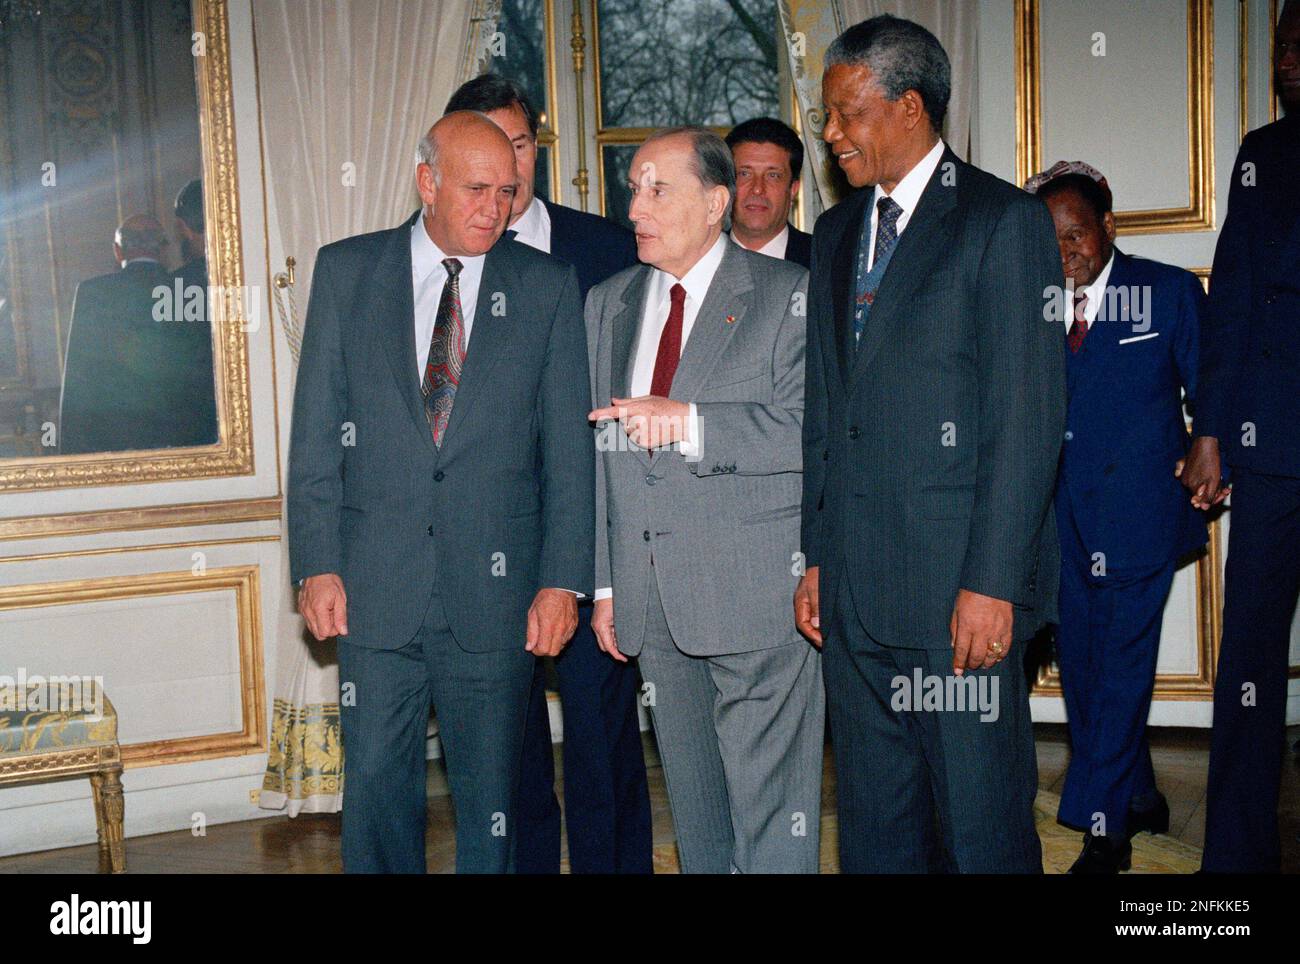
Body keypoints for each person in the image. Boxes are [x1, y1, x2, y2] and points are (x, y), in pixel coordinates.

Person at [287, 111, 594, 874]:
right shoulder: (347, 272)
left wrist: (562, 582)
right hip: (372, 589)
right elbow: (317, 435)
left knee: (491, 803)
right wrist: (316, 561)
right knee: (377, 793)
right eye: (477, 189)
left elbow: (568, 454)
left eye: (509, 192)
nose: (495, 208)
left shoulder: (546, 287)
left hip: (496, 596)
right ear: (428, 182)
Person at [795, 15, 1065, 873]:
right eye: (827, 115)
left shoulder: (1003, 223)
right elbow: (826, 412)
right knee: (877, 832)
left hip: (960, 599)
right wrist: (815, 554)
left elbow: (1026, 421)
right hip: (855, 598)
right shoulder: (835, 235)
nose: (829, 133)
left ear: (909, 107)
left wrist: (992, 584)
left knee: (981, 830)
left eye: (846, 113)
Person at [588, 126, 821, 873]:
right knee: (696, 814)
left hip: (758, 597)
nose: (636, 207)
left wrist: (687, 423)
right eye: (633, 188)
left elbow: (811, 435)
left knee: (771, 814)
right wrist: (603, 583)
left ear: (716, 202)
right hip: (652, 604)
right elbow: (600, 454)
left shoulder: (787, 294)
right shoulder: (608, 303)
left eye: (659, 189)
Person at [444, 74, 650, 875]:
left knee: (603, 739)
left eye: (522, 145)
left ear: (537, 147)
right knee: (509, 747)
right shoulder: (433, 259)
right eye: (491, 149)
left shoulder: (606, 247)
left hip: (593, 538)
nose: (511, 167)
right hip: (482, 548)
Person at [1026, 162, 1208, 873]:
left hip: (1139, 516)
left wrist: (1207, 447)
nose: (1066, 251)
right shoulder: (1033, 305)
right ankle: (1137, 792)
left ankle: (1105, 834)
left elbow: (1211, 386)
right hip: (1060, 524)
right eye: (1052, 241)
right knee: (1083, 669)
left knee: (1122, 669)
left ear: (1108, 226)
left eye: (1076, 234)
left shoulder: (1164, 292)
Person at [1182, 0, 1300, 874]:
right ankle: (1234, 864)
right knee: (1250, 664)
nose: (1288, 57)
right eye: (1282, 43)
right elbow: (1228, 301)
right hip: (1275, 451)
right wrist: (1212, 430)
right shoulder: (1264, 154)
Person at [60, 214, 216, 454]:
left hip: (113, 443)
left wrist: (72, 455)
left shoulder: (93, 294)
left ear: (117, 251)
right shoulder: (190, 292)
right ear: (164, 248)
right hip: (186, 443)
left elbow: (78, 382)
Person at [724, 117, 812, 268]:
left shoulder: (827, 260)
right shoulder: (696, 261)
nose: (758, 189)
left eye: (773, 176)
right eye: (744, 174)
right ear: (725, 186)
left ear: (793, 189)